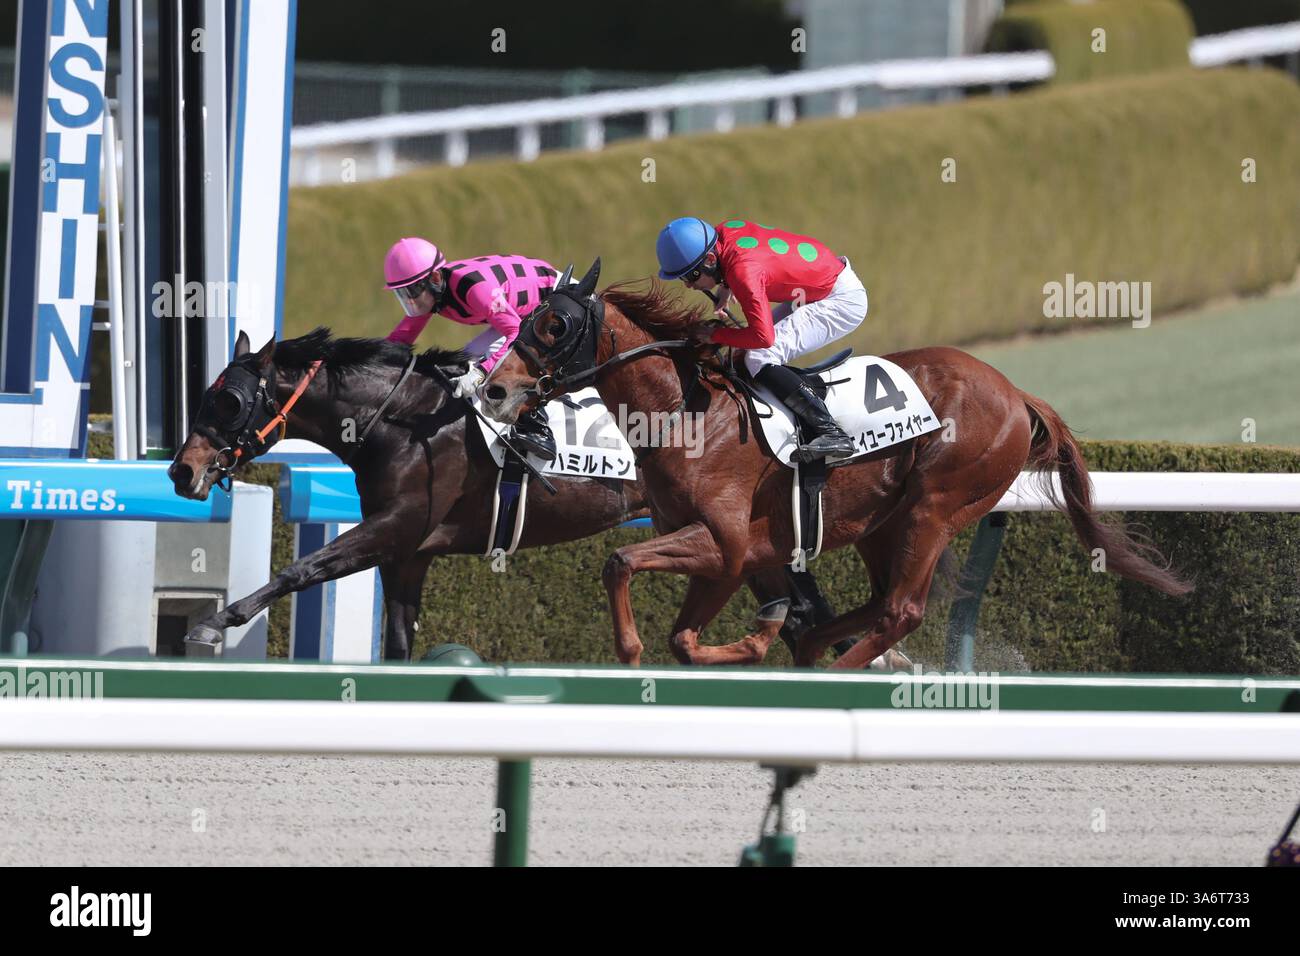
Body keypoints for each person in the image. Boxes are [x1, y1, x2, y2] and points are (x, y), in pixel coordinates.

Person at [655, 217, 867, 462]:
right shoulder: (722, 233)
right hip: (818, 287)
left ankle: (831, 432)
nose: (689, 286)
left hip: (840, 301)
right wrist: (726, 286)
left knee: (760, 356)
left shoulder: (743, 272)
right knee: (748, 352)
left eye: (691, 277)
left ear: (711, 260)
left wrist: (715, 335)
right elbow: (742, 257)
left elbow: (762, 337)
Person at [383, 237, 559, 459]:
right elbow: (401, 338)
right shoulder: (433, 291)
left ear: (435, 278)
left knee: (483, 363)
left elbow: (515, 333)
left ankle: (537, 428)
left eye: (411, 292)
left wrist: (481, 372)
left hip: (554, 299)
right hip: (522, 310)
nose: (410, 302)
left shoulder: (474, 289)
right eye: (402, 294)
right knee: (467, 358)